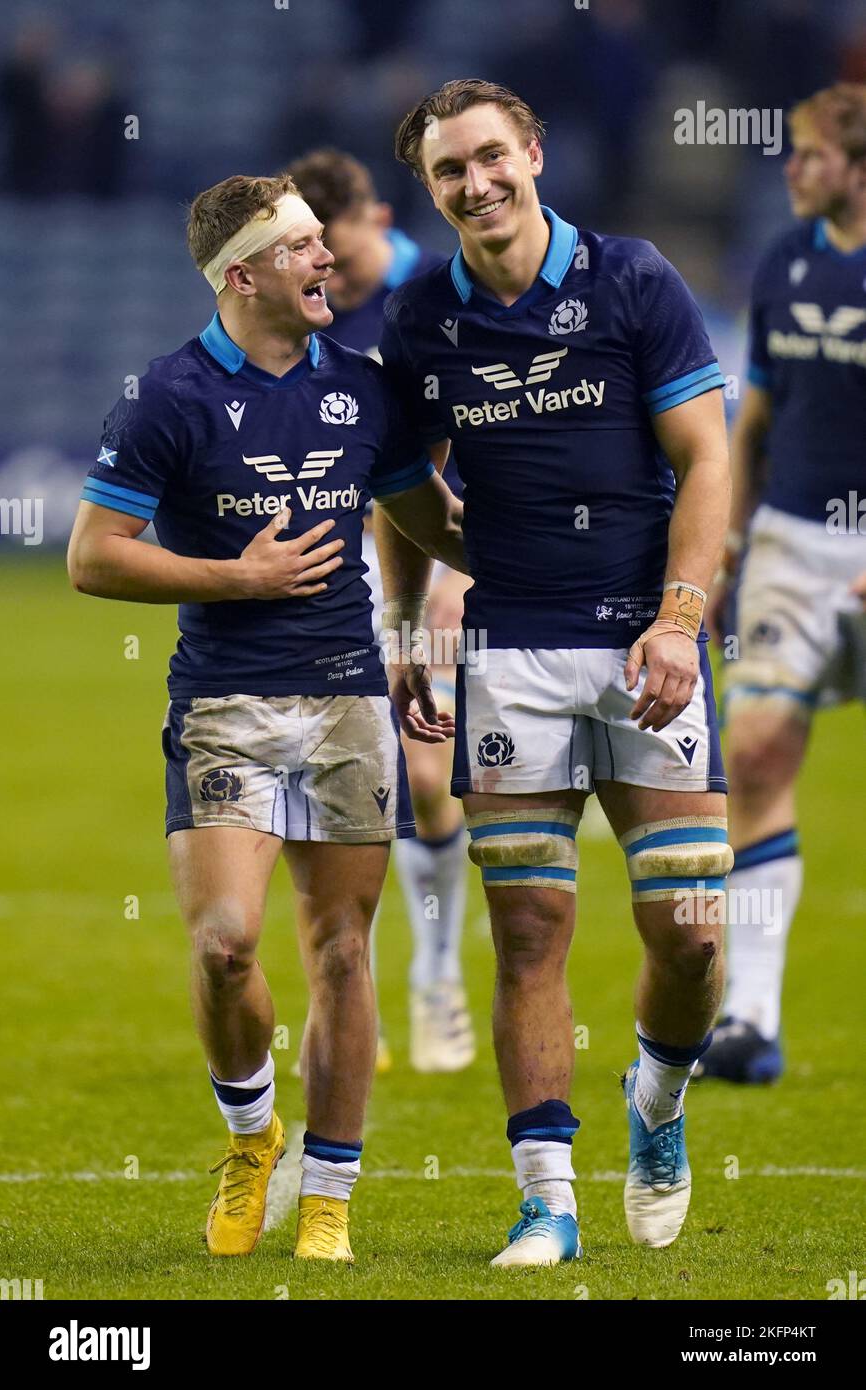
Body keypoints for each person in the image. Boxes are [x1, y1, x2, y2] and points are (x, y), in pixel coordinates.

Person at [66, 172, 465, 1264]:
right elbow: (93, 557)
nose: (326, 256)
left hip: (346, 694)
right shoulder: (168, 395)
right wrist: (235, 579)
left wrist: (564, 571)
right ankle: (253, 1141)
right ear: (243, 275)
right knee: (225, 945)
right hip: (225, 705)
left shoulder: (366, 388)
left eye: (322, 238)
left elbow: (429, 522)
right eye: (301, 245)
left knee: (342, 952)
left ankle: (328, 1198)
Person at [379, 79, 732, 1264]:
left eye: (491, 157)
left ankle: (657, 1104)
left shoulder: (635, 280)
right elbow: (398, 485)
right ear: (429, 192)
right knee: (530, 934)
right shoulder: (421, 317)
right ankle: (548, 1202)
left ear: (533, 151)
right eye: (448, 172)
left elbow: (708, 461)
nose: (476, 184)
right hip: (511, 652)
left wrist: (681, 620)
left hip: (646, 643)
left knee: (688, 934)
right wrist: (412, 625)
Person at [288, 147, 475, 1072]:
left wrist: (454, 573)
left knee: (429, 775)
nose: (331, 272)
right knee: (338, 779)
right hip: (339, 558)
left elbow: (479, 430)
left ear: (374, 218)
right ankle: (341, 992)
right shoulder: (304, 304)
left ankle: (438, 980)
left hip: (442, 543)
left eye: (341, 252)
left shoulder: (442, 295)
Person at [700, 84, 866, 1083]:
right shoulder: (786, 260)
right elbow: (751, 421)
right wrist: (722, 552)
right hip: (794, 546)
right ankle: (750, 1017)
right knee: (756, 752)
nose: (791, 167)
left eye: (808, 154)